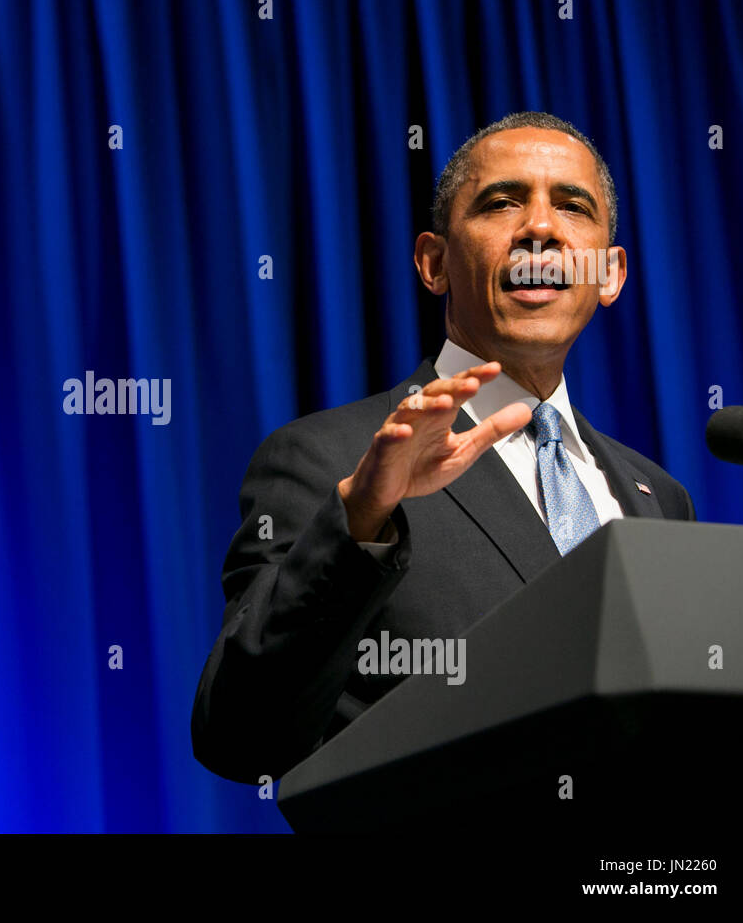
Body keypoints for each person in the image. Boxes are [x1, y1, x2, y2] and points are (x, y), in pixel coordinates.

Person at [191, 112, 695, 785]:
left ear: (609, 273)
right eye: (501, 203)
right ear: (434, 264)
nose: (541, 229)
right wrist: (362, 522)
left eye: (573, 207)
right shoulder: (330, 458)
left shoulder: (657, 495)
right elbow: (239, 736)